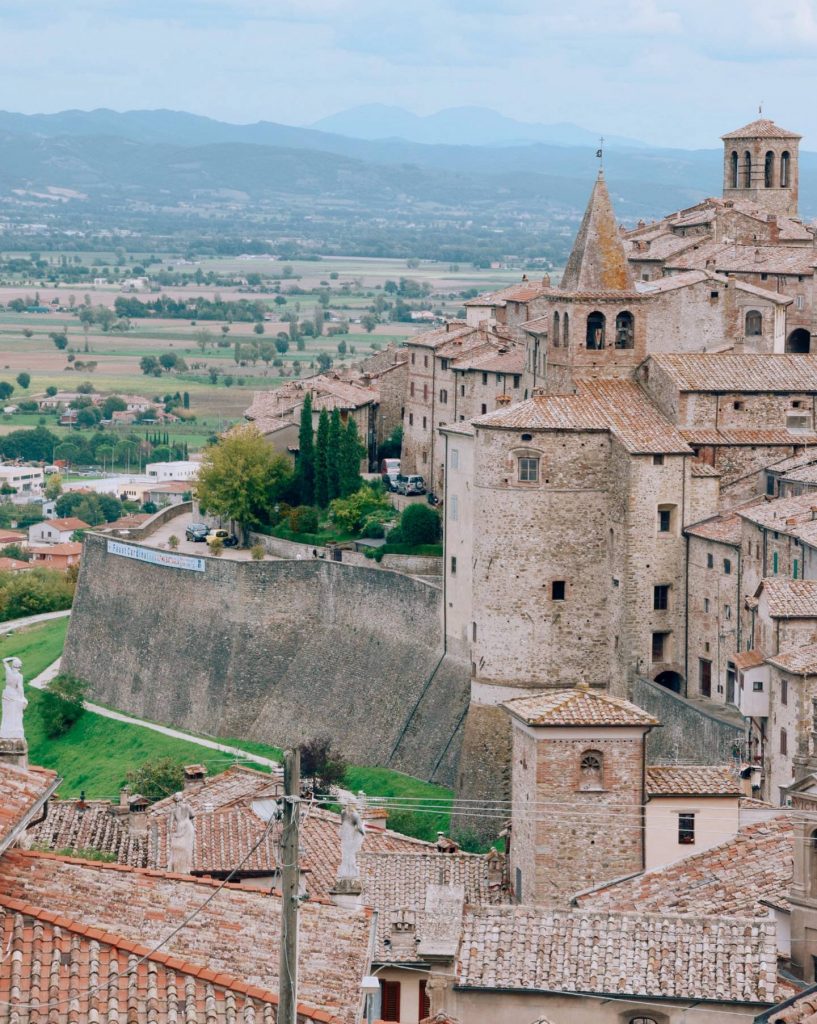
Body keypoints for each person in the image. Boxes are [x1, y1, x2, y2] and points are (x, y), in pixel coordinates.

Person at [0, 657, 27, 741]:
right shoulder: (19, 676)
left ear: (13, 665)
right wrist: (22, 697)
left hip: (7, 693)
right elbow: (20, 687)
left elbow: (4, 660)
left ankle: (6, 730)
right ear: (19, 667)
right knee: (15, 713)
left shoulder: (8, 671)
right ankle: (14, 729)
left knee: (7, 714)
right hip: (14, 694)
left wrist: (13, 658)